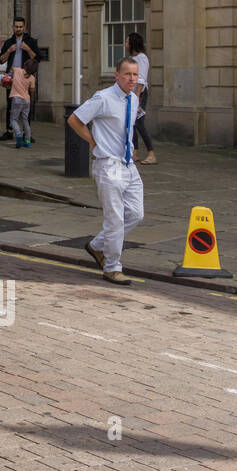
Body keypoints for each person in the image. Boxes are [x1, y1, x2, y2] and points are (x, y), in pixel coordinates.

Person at [68, 57, 144, 286]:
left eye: (135, 74)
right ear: (117, 75)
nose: (132, 79)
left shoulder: (133, 98)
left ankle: (97, 246)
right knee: (115, 218)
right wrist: (92, 142)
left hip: (128, 164)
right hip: (108, 164)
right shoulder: (103, 98)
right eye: (128, 74)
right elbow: (74, 119)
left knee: (136, 214)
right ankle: (112, 267)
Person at [0, 17, 38, 140]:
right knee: (10, 103)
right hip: (11, 77)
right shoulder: (9, 42)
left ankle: (27, 134)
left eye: (20, 26)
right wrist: (9, 51)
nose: (18, 29)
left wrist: (28, 49)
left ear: (24, 27)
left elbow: (37, 58)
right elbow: (1, 59)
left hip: (26, 77)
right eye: (16, 26)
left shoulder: (31, 41)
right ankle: (9, 131)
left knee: (26, 105)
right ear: (13, 27)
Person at [127, 32, 156, 165]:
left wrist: (137, 96)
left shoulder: (142, 58)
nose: (125, 44)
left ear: (133, 43)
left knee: (139, 124)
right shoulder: (132, 59)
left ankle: (151, 153)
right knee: (131, 124)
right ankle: (135, 153)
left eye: (127, 41)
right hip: (132, 95)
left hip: (140, 95)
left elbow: (141, 79)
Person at [10, 57, 37, 148]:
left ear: (25, 65)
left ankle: (18, 134)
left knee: (13, 119)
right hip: (26, 101)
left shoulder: (17, 70)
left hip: (17, 99)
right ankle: (28, 141)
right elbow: (32, 90)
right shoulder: (32, 78)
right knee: (25, 120)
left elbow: (11, 69)